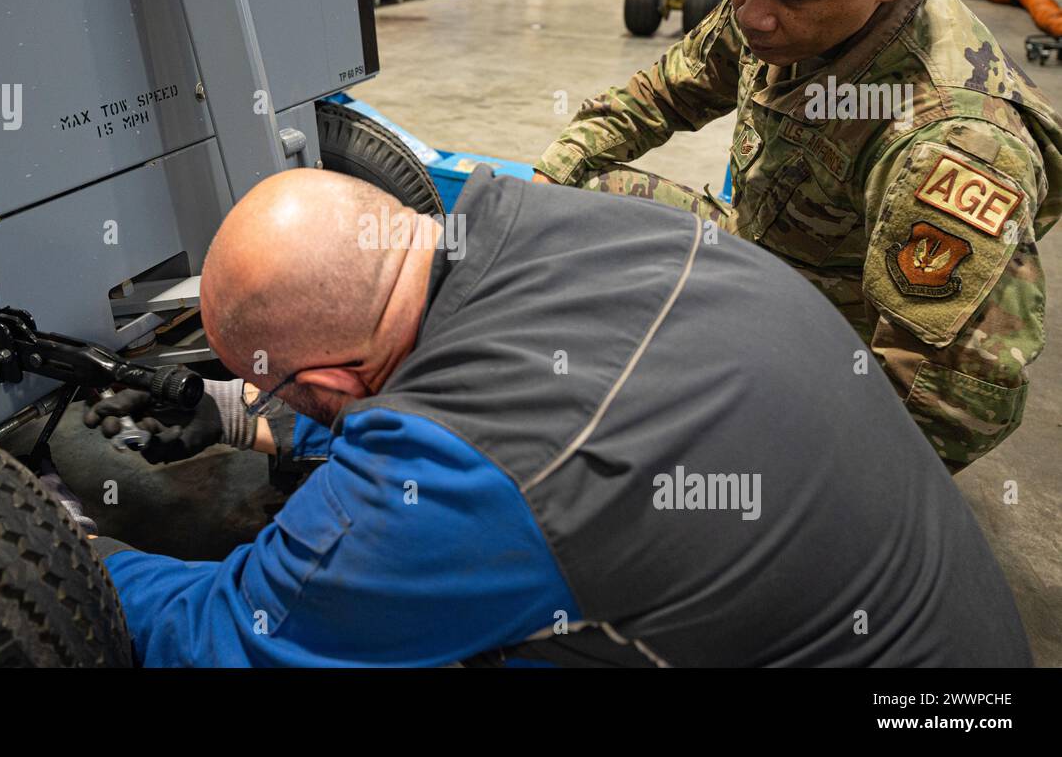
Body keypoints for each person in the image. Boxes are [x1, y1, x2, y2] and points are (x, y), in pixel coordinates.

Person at [83, 167, 1031, 667]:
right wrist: (255, 420)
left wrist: (75, 553)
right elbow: (460, 384)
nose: (268, 399)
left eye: (274, 386)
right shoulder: (569, 227)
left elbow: (230, 633)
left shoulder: (479, 478)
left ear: (328, 374)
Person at [534, 0, 1062, 471]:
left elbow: (952, 404)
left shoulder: (955, 144)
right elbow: (667, 91)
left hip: (835, 347)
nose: (752, 14)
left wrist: (791, 480)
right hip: (766, 261)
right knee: (585, 194)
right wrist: (552, 173)